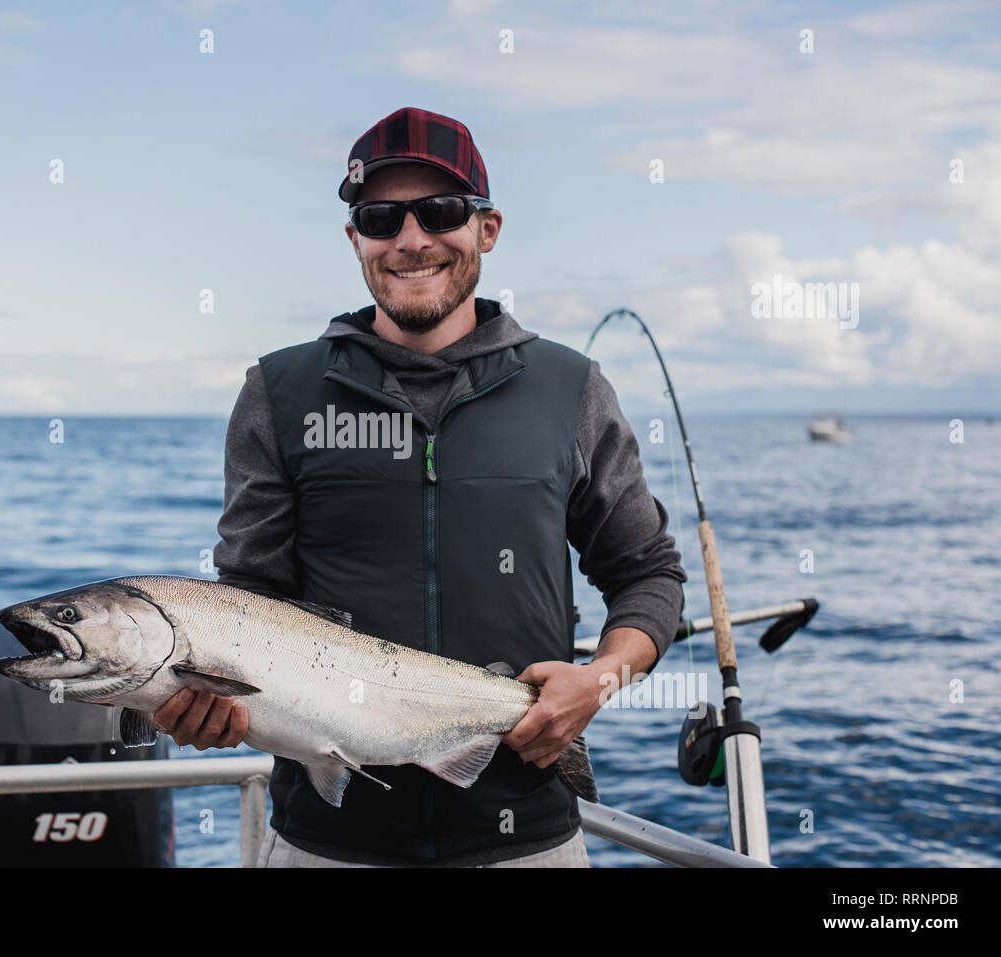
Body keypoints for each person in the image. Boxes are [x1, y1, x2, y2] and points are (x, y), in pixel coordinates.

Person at [153, 107, 686, 867]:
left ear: (487, 228)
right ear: (354, 237)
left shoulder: (572, 388)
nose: (411, 239)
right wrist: (208, 701)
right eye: (380, 216)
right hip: (327, 843)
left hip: (526, 837)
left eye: (440, 211)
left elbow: (648, 575)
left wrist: (601, 678)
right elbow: (249, 602)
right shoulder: (278, 391)